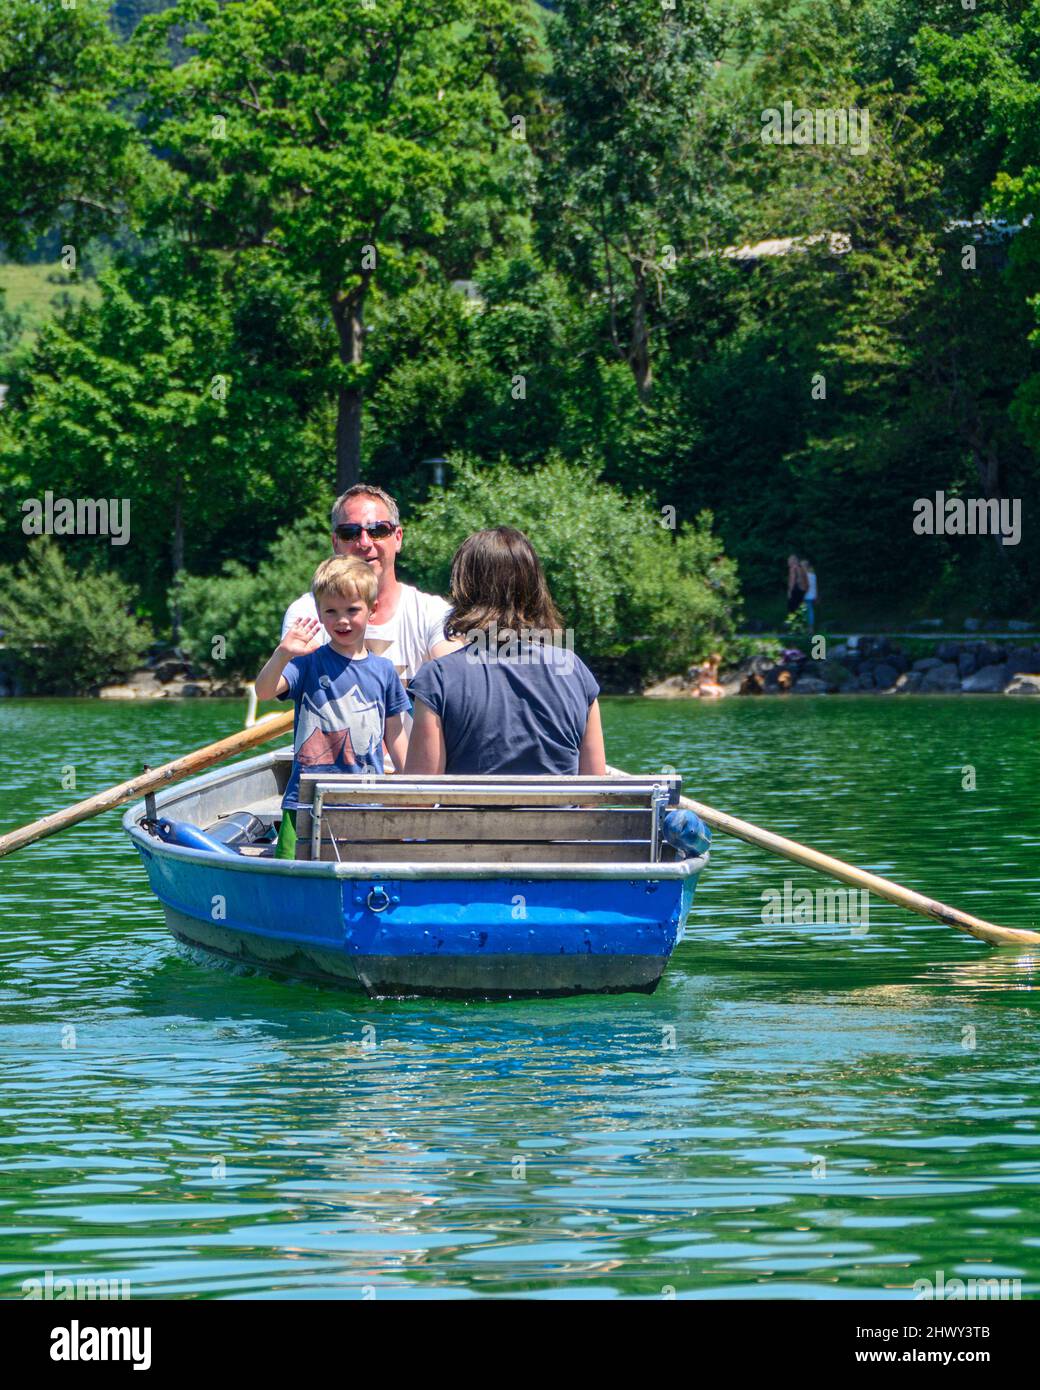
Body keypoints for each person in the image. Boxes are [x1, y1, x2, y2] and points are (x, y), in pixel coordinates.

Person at [405, 527, 606, 775]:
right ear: (535, 589)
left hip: (466, 816)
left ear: (465, 589)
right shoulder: (575, 671)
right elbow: (595, 793)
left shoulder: (437, 678)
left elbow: (419, 798)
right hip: (556, 815)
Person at [258, 556, 410, 858]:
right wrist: (282, 654)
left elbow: (395, 736)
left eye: (352, 610)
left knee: (362, 876)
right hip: (303, 802)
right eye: (331, 611)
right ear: (319, 613)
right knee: (292, 878)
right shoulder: (306, 663)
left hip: (365, 803)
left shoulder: (384, 670)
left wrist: (414, 787)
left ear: (372, 610)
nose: (342, 620)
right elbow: (263, 692)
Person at [281, 483, 456, 684]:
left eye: (378, 530)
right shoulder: (307, 613)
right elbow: (293, 681)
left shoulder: (432, 613)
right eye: (350, 533)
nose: (364, 543)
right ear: (335, 542)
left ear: (398, 538)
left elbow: (457, 680)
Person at [801, 559, 818, 631]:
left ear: (805, 566)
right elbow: (816, 586)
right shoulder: (813, 575)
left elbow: (805, 587)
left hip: (806, 596)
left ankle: (807, 628)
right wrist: (816, 595)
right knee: (810, 611)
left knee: (805, 612)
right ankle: (810, 627)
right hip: (812, 595)